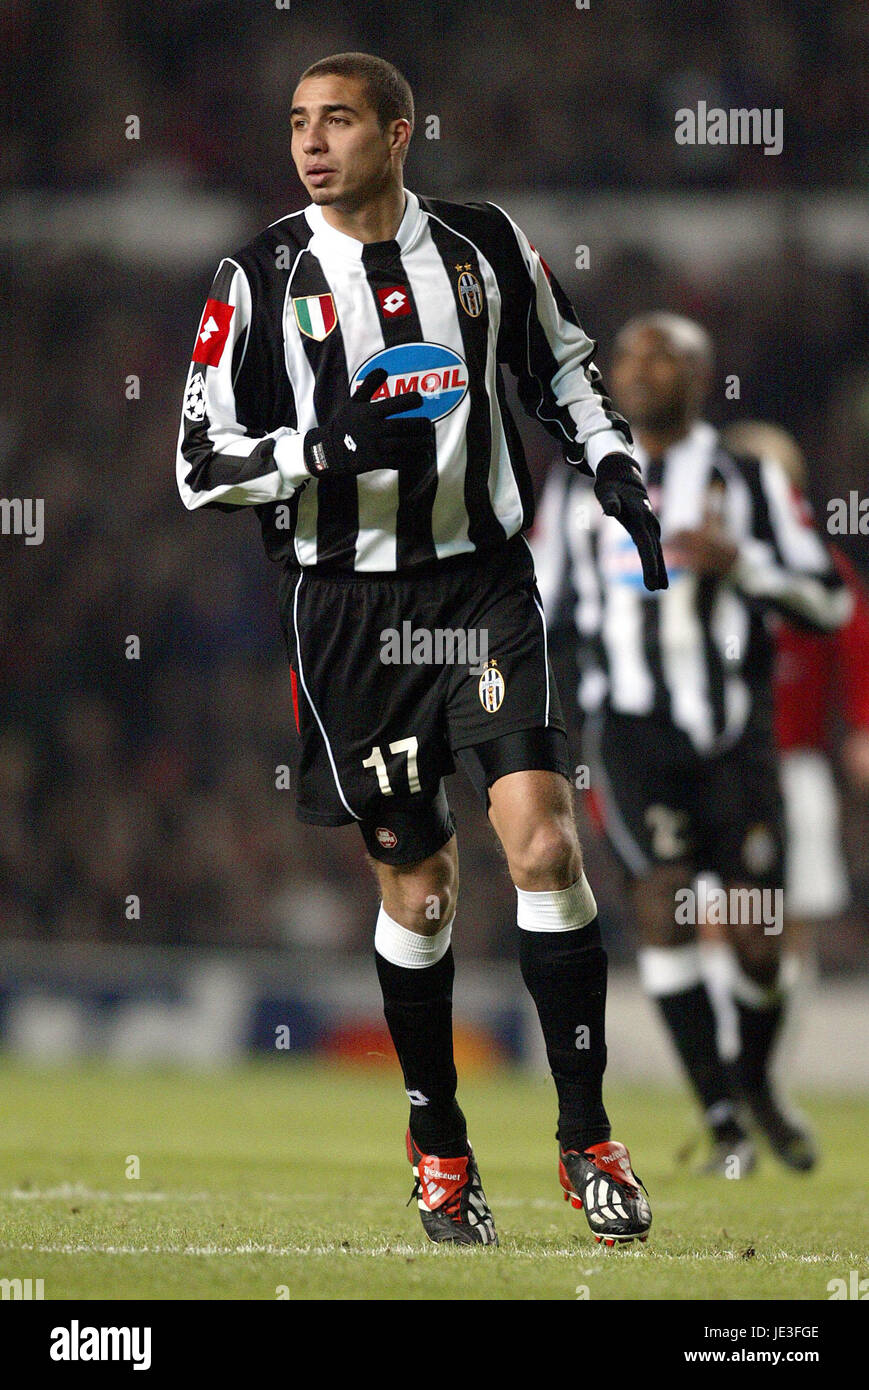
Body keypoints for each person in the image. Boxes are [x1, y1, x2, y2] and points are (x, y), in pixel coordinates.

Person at [176, 52, 665, 1246]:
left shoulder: (484, 243)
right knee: (421, 882)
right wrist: (318, 451)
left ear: (400, 133)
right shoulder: (260, 275)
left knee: (544, 841)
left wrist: (609, 462)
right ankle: (439, 1144)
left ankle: (585, 1136)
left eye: (336, 119)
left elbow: (559, 360)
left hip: (483, 585)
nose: (310, 141)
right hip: (346, 611)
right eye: (297, 122)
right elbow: (199, 463)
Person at [532, 313, 851, 1174]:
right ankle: (722, 1120)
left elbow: (829, 600)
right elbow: (535, 608)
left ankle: (750, 1082)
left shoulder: (744, 479)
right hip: (629, 735)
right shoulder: (578, 484)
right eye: (628, 354)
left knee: (756, 930)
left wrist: (740, 564)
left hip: (734, 740)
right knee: (662, 906)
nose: (639, 367)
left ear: (700, 376)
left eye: (662, 354)